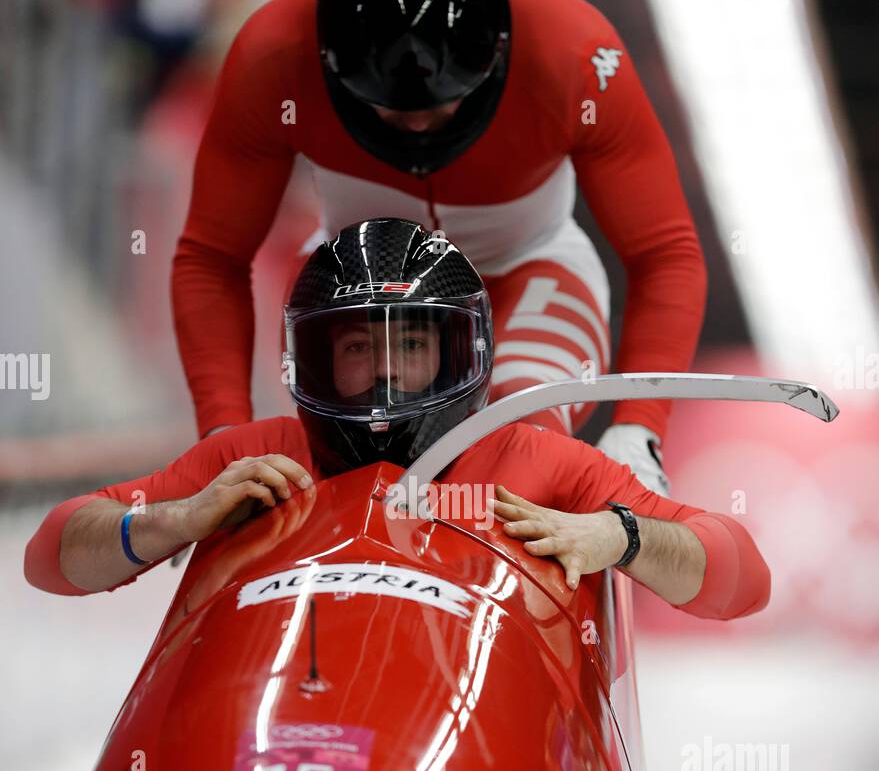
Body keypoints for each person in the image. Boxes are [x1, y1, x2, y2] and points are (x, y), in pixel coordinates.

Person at [172, 0, 707, 494]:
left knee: (520, 449)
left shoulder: (574, 52)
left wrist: (639, 429)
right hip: (356, 295)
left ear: (499, 50)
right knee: (344, 467)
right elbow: (212, 257)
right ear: (326, 62)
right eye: (390, 109)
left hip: (526, 269)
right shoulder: (271, 55)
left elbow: (664, 254)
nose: (420, 126)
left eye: (442, 102)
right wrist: (222, 435)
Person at [27, 220, 765, 621]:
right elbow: (53, 557)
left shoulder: (544, 465)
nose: (385, 372)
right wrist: (170, 522)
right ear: (311, 359)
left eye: (410, 343)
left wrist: (622, 534)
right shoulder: (253, 460)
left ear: (458, 350)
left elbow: (740, 577)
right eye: (355, 345)